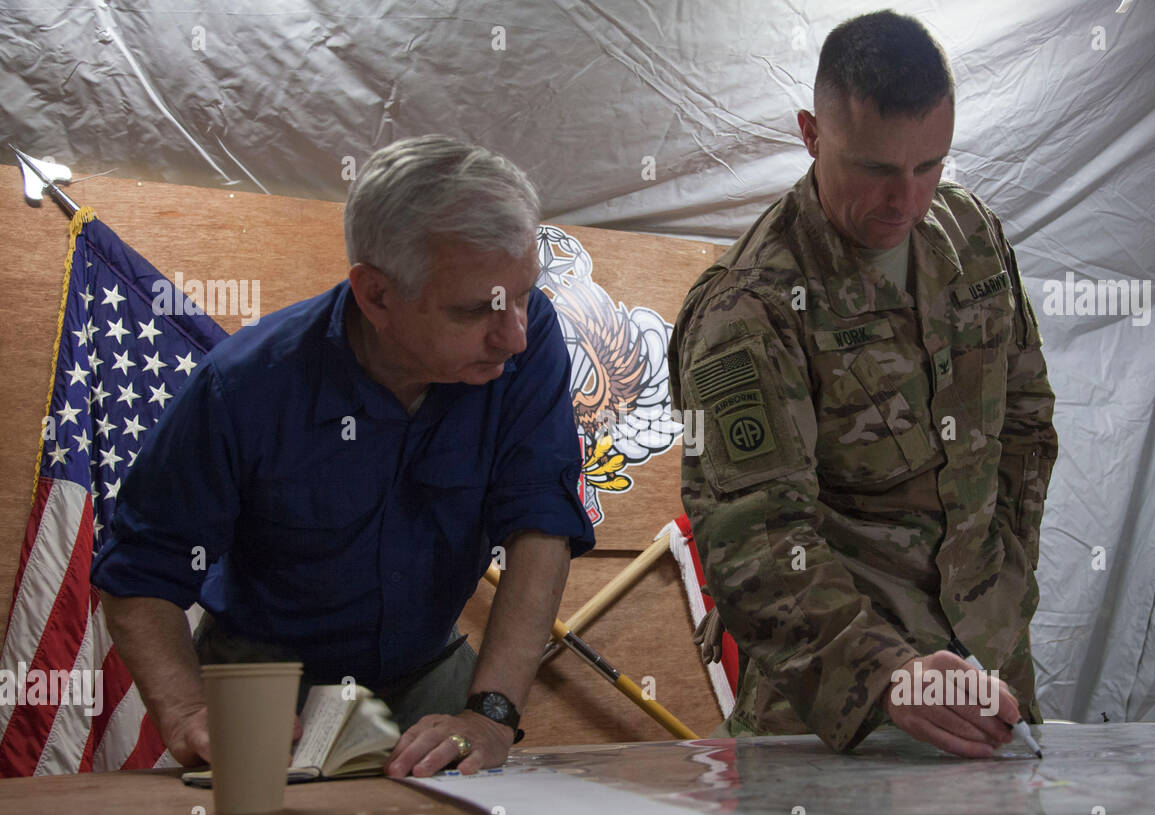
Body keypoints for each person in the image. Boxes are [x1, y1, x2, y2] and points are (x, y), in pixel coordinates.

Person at [91, 135, 594, 776]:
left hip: (429, 673)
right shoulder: (245, 385)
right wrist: (188, 711)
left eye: (525, 295)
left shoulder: (525, 340)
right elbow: (139, 574)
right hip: (266, 687)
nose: (515, 334)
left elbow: (542, 525)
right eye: (476, 311)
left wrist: (489, 715)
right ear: (376, 294)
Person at [668, 12, 1057, 758]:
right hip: (837, 710)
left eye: (930, 166)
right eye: (877, 169)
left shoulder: (970, 236)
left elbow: (1026, 421)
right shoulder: (750, 307)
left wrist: (1001, 578)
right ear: (812, 134)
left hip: (989, 672)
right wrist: (887, 673)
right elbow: (750, 534)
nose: (906, 201)